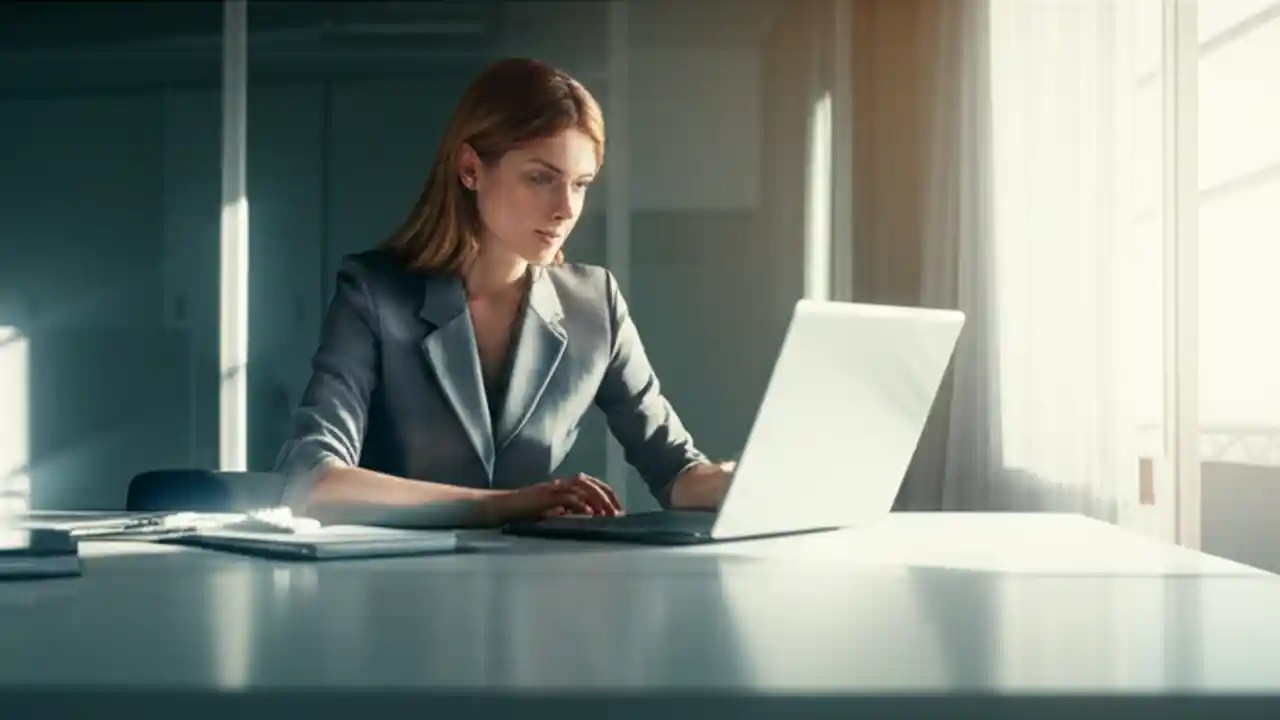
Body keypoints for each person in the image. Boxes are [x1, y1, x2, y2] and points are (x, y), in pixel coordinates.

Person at [274, 58, 734, 528]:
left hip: (533, 589)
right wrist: (508, 504)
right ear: (471, 168)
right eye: (541, 178)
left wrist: (746, 479)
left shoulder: (595, 303)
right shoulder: (374, 293)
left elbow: (677, 473)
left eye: (581, 184)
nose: (565, 209)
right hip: (392, 584)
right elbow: (312, 485)